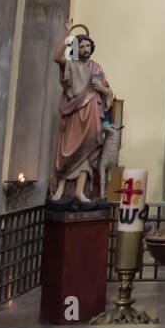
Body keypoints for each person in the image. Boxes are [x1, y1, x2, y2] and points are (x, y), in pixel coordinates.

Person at [52, 20, 113, 203]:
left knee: (88, 150)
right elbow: (56, 57)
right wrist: (67, 33)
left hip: (93, 112)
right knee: (68, 151)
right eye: (82, 46)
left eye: (88, 46)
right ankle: (60, 189)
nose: (86, 49)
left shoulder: (96, 67)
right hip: (75, 113)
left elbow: (108, 91)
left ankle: (80, 190)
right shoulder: (71, 64)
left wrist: (102, 90)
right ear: (76, 49)